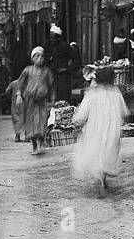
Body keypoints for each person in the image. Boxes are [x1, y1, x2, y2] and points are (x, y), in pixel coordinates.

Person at [71, 64, 129, 194]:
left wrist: (77, 122)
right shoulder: (117, 94)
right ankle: (103, 179)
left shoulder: (92, 94)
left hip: (95, 129)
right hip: (112, 131)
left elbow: (81, 116)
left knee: (96, 153)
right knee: (107, 153)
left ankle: (101, 180)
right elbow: (124, 113)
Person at [14, 46, 55, 152]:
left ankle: (41, 143)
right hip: (30, 101)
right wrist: (19, 95)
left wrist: (53, 100)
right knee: (31, 122)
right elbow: (20, 84)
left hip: (42, 101)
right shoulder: (27, 70)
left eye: (42, 56)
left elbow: (52, 87)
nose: (40, 58)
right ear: (33, 58)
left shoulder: (47, 72)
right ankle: (34, 146)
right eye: (37, 56)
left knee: (42, 121)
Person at [47, 24, 73, 103]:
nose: (51, 40)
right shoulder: (48, 45)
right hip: (51, 74)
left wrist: (67, 69)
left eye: (53, 38)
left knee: (63, 97)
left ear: (58, 38)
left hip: (63, 76)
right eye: (50, 37)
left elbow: (76, 59)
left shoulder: (65, 46)